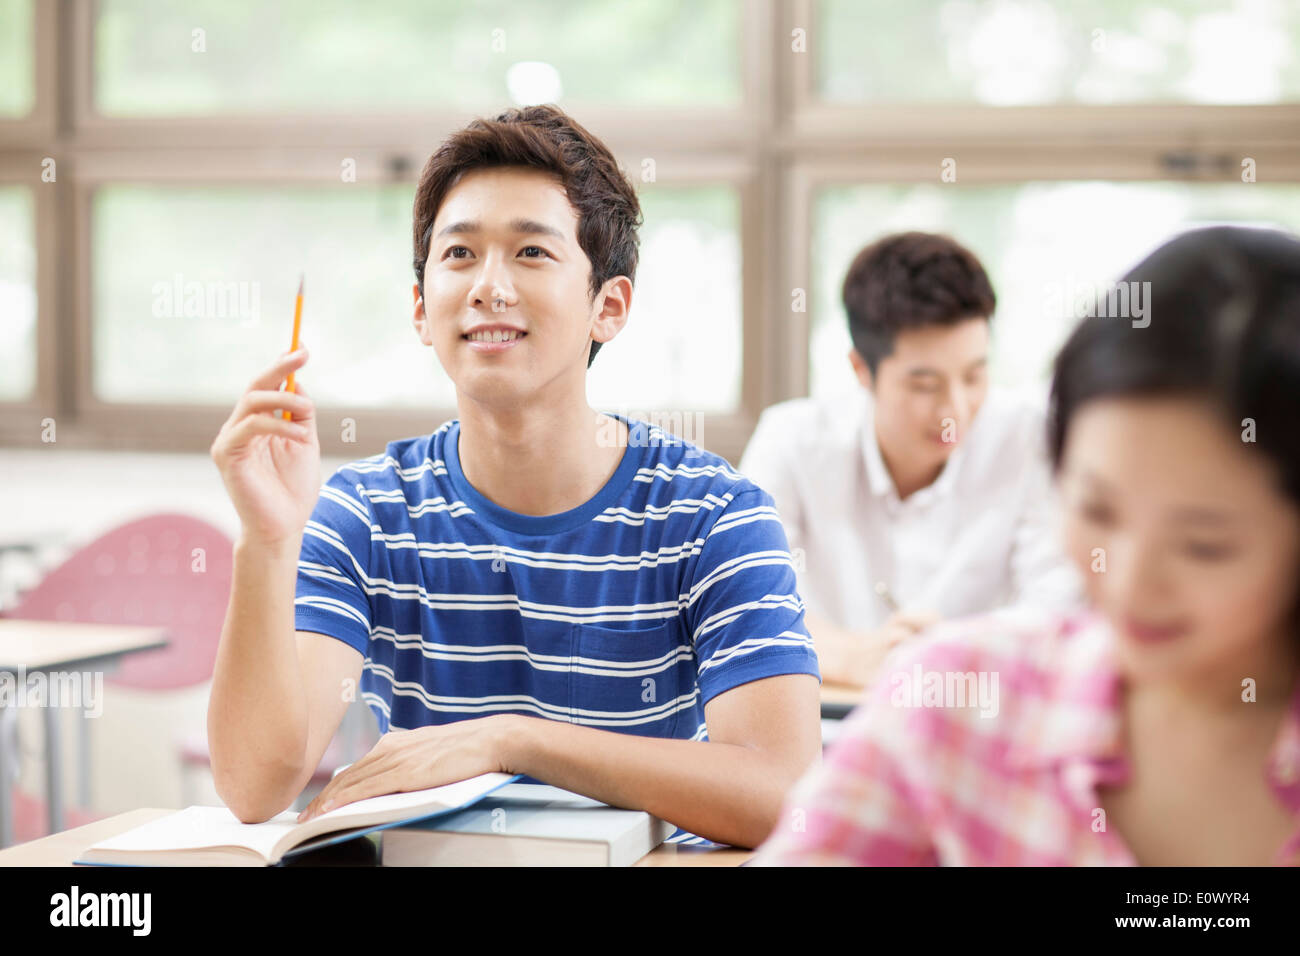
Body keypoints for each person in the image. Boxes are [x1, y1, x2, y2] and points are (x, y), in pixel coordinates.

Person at [208, 105, 821, 849]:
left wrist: (512, 741)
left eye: (532, 253)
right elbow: (254, 786)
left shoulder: (715, 515)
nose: (488, 287)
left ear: (609, 306)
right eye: (459, 254)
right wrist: (266, 542)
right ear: (420, 309)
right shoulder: (367, 512)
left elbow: (783, 794)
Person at [752, 225, 1300, 865]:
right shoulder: (948, 710)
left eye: (1203, 545)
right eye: (1096, 510)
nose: (1127, 585)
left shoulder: (1020, 437)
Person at [739, 231, 1081, 687]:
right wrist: (850, 656)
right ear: (861, 370)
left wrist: (952, 653)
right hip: (828, 727)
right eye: (924, 385)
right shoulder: (792, 440)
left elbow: (1062, 609)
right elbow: (745, 605)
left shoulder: (1029, 437)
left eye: (975, 375)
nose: (954, 410)